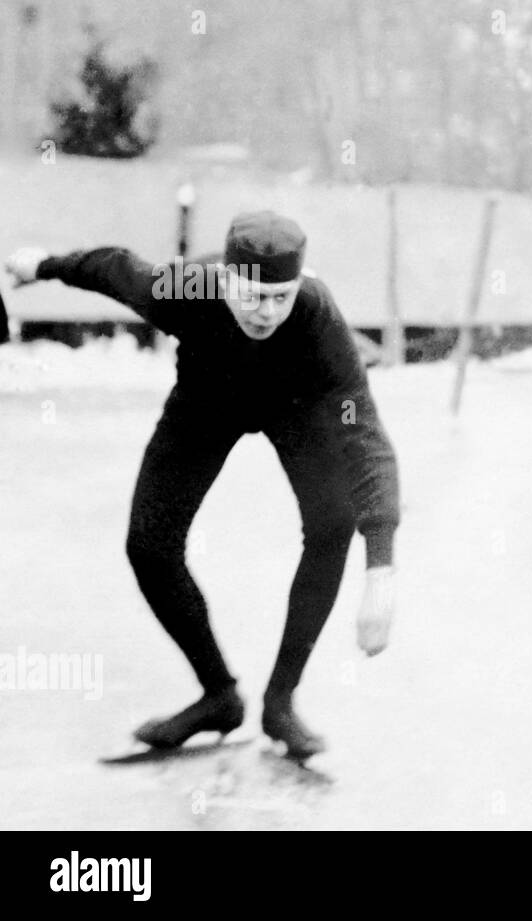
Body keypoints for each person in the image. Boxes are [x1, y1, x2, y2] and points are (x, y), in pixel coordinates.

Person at [5, 211, 401, 758]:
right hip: (209, 398)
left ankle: (281, 703)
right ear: (225, 280)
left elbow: (366, 436)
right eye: (252, 295)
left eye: (280, 297)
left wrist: (381, 565)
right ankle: (218, 694)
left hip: (298, 407)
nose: (266, 311)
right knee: (148, 546)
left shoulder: (318, 316)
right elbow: (111, 268)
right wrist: (42, 266)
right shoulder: (185, 287)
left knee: (334, 525)